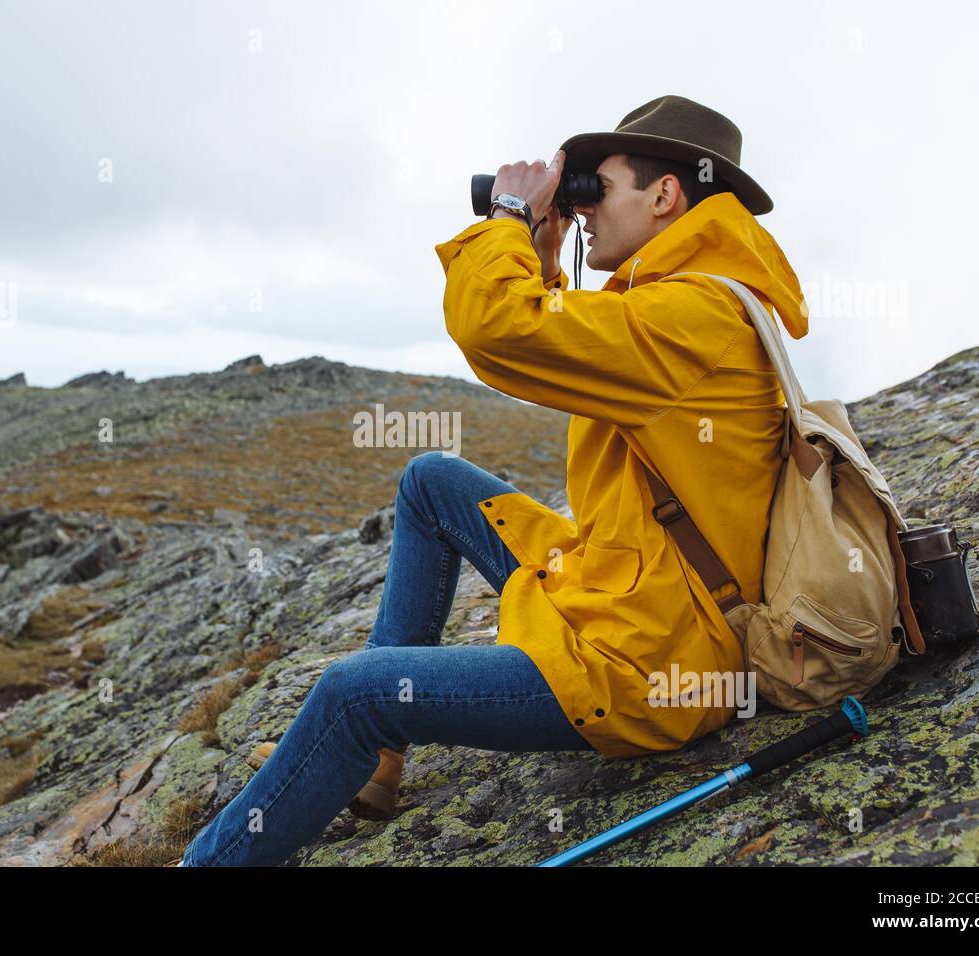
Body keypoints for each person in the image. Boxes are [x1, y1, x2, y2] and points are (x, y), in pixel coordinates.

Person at [179, 94, 808, 867]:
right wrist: (538, 251)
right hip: (619, 589)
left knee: (354, 695)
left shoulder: (696, 316)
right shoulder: (683, 300)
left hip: (651, 663)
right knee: (432, 480)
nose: (582, 214)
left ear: (666, 195)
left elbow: (502, 332)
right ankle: (373, 768)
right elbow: (557, 347)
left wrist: (510, 213)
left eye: (594, 191)